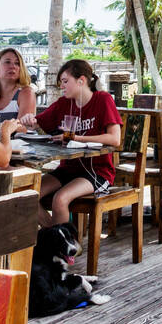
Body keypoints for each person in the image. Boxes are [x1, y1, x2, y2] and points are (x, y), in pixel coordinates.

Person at [32, 59, 123, 228]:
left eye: (65, 81)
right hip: (67, 169)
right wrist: (26, 120)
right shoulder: (64, 104)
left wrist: (76, 138)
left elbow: (114, 139)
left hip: (97, 171)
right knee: (27, 195)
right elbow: (36, 122)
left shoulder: (102, 100)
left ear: (81, 80)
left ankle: (62, 251)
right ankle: (60, 238)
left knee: (60, 199)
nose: (62, 86)